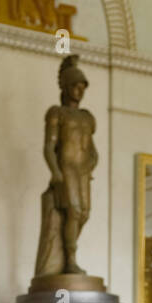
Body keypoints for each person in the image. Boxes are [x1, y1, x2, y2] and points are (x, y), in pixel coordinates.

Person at [34, 56, 98, 281]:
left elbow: (91, 149)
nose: (79, 91)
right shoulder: (56, 113)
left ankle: (68, 254)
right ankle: (70, 260)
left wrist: (91, 165)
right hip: (66, 169)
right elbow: (49, 147)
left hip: (82, 172)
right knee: (72, 212)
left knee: (83, 214)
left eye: (82, 87)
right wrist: (56, 172)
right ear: (65, 86)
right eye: (75, 86)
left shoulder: (87, 117)